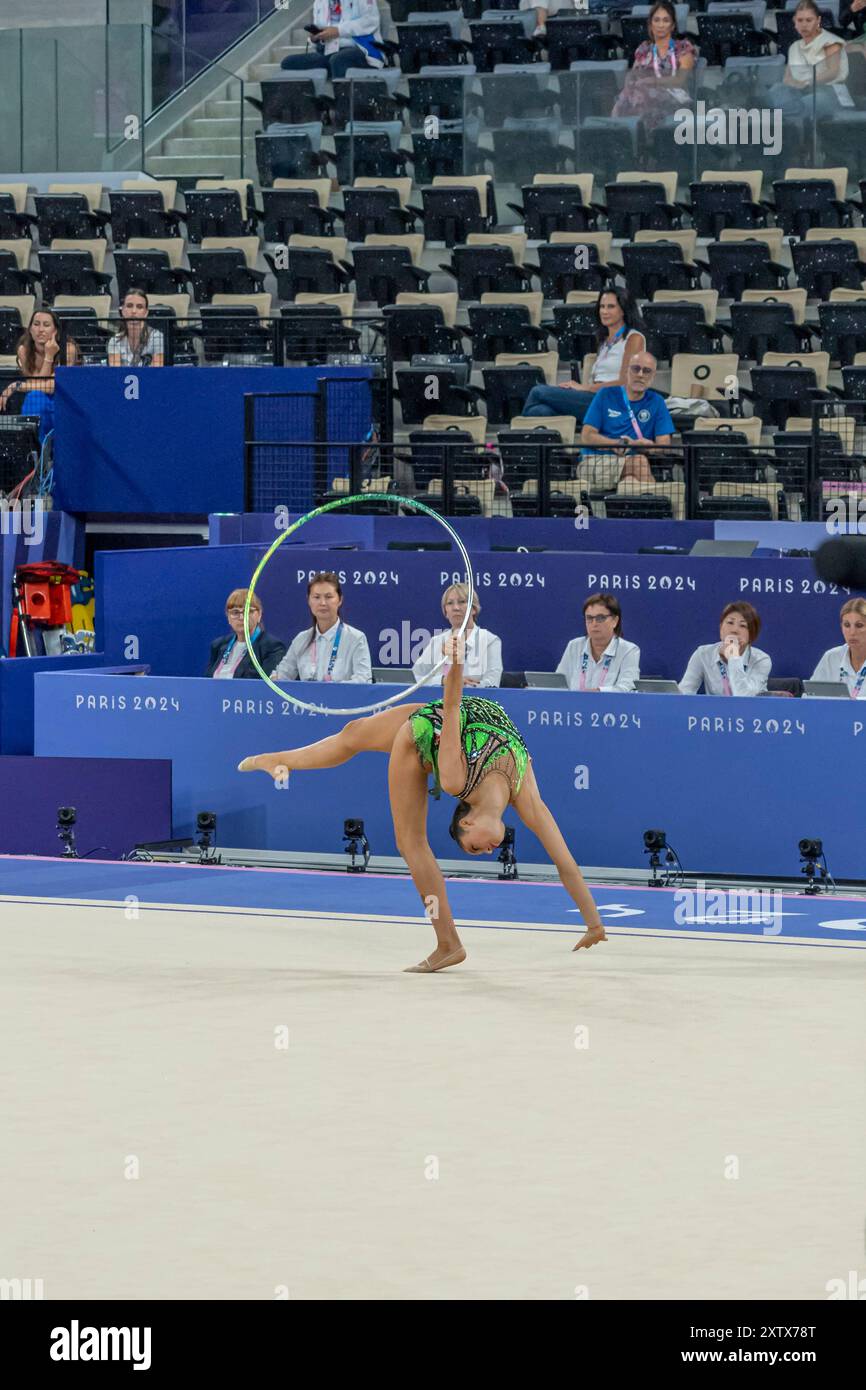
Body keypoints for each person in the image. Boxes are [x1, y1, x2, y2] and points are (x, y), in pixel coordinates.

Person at [239, 633, 607, 971]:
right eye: (478, 851)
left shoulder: (455, 779)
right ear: (466, 821)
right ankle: (278, 758)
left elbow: (565, 863)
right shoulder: (518, 789)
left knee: (409, 842)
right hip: (449, 716)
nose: (486, 852)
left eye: (475, 851)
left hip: (421, 736)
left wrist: (593, 923)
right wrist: (457, 661)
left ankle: (447, 943)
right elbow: (449, 707)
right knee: (352, 734)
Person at [522, 289, 646, 425]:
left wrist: (585, 388)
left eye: (611, 307)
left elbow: (626, 383)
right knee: (540, 412)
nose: (604, 311)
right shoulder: (604, 342)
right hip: (593, 397)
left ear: (623, 310)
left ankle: (515, 439)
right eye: (602, 306)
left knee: (538, 391)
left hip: (614, 402)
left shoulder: (634, 338)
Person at [580, 352, 673, 488]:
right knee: (638, 463)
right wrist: (618, 443)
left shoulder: (657, 401)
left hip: (632, 463)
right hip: (595, 461)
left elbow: (664, 444)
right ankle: (661, 505)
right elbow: (587, 436)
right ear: (626, 371)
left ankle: (646, 506)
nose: (640, 374)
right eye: (636, 369)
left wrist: (648, 447)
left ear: (653, 376)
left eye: (646, 371)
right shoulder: (605, 394)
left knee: (630, 483)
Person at [271, 571, 372, 683]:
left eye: (329, 597)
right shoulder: (301, 639)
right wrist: (275, 679)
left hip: (342, 699)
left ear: (340, 600)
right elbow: (282, 674)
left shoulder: (356, 638)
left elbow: (363, 680)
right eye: (316, 597)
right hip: (306, 700)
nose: (323, 603)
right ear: (309, 600)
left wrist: (330, 690)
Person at [612, 2, 697, 130]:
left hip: (673, 94)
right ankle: (624, 138)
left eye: (665, 20)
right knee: (622, 100)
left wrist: (653, 81)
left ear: (673, 25)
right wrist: (628, 83)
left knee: (642, 98)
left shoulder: (683, 48)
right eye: (656, 20)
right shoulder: (644, 48)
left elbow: (680, 80)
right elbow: (634, 73)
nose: (660, 25)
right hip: (641, 92)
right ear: (650, 25)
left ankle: (646, 141)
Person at [0, 309, 79, 442]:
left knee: (35, 398)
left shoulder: (68, 349)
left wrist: (14, 386)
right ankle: (35, 451)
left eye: (46, 325)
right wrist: (49, 356)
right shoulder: (24, 350)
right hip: (40, 401)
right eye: (36, 324)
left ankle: (40, 450)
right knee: (34, 398)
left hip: (65, 401)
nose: (40, 329)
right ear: (30, 329)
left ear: (56, 331)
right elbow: (38, 386)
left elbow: (51, 387)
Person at [768, 0, 850, 119]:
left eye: (809, 20)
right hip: (801, 91)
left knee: (802, 104)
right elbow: (787, 78)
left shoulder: (832, 42)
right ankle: (764, 117)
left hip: (828, 93)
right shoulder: (795, 47)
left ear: (818, 21)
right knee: (778, 89)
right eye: (800, 20)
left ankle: (780, 120)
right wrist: (793, 83)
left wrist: (807, 82)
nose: (804, 25)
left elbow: (833, 73)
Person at [411, 583, 503, 689]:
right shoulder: (436, 641)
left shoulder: (490, 640)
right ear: (445, 612)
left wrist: (460, 683)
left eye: (462, 602)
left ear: (473, 609)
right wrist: (443, 680)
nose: (455, 608)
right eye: (450, 603)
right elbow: (416, 677)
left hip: (474, 703)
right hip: (438, 703)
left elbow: (492, 683)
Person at [678, 602, 771, 696]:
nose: (734, 630)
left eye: (743, 625)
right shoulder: (703, 654)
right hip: (713, 710)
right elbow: (684, 693)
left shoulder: (761, 660)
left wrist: (734, 658)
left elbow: (744, 697)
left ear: (751, 634)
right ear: (721, 628)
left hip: (750, 710)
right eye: (730, 622)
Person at [278, 0, 385, 79]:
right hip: (329, 53)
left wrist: (339, 30)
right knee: (289, 63)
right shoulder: (319, 2)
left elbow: (371, 21)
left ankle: (343, 107)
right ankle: (307, 108)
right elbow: (320, 31)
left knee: (338, 60)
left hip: (360, 50)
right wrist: (316, 38)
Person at [556, 592, 640, 692]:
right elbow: (558, 684)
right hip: (573, 706)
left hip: (612, 706)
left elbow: (627, 687)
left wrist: (597, 692)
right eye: (589, 618)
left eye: (600, 618)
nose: (594, 624)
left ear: (615, 621)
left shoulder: (629, 650)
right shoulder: (574, 646)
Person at [206, 588, 287, 680]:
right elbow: (207, 683)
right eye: (235, 612)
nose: (241, 617)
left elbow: (267, 687)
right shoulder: (218, 645)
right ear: (228, 617)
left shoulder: (272, 647)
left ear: (259, 614)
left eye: (248, 611)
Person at [810, 597, 866, 696]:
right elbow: (809, 698)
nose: (852, 632)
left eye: (859, 625)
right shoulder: (831, 657)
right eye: (847, 625)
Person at [107, 288, 165, 367]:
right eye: (129, 306)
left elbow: (156, 373)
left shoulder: (157, 338)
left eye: (139, 307)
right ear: (123, 311)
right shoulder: (114, 341)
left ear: (146, 313)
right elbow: (116, 375)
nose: (134, 311)